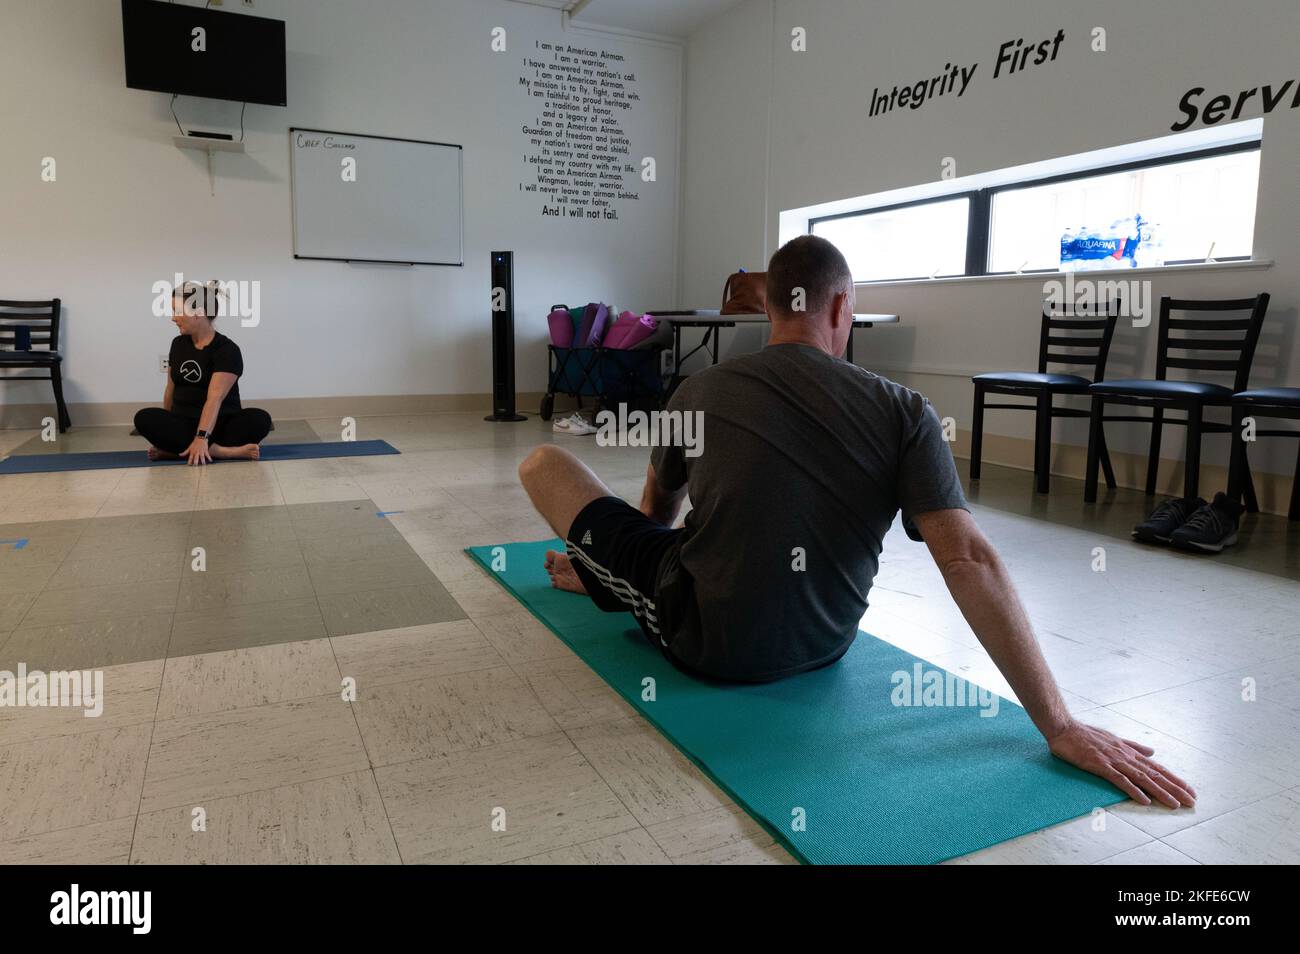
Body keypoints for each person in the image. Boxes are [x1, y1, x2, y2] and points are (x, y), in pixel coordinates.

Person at [518, 235, 1196, 811]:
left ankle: (604, 581)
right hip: (826, 641)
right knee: (640, 555)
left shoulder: (698, 390)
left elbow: (654, 520)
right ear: (841, 306)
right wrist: (1059, 723)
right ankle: (606, 579)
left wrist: (612, 569)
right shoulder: (907, 411)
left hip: (705, 643)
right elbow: (968, 559)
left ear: (768, 304)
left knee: (544, 462)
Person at [134, 281, 272, 465]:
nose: (173, 318)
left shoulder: (227, 350)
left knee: (260, 419)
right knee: (144, 417)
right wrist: (165, 427)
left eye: (177, 311)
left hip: (220, 425)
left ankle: (188, 450)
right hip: (184, 423)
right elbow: (171, 389)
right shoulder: (178, 344)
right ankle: (222, 452)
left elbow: (214, 398)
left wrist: (201, 437)